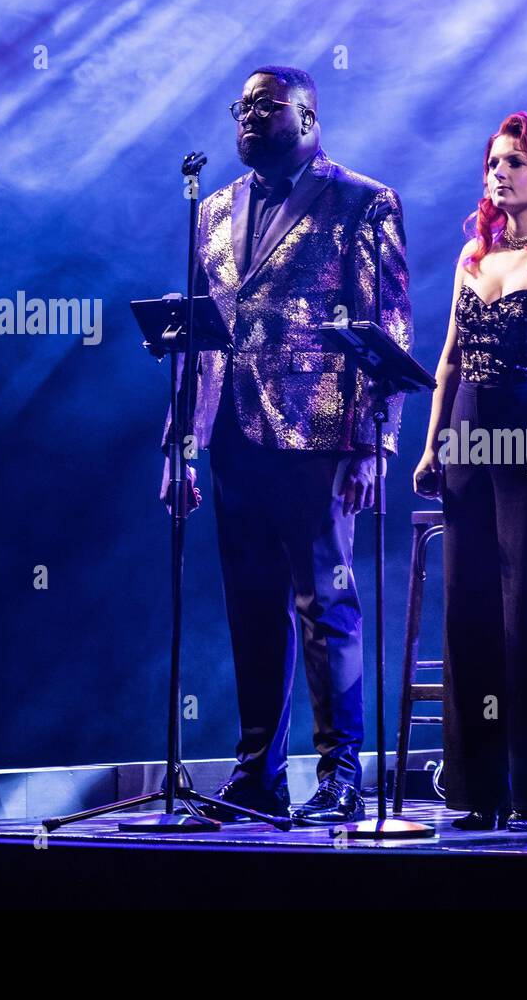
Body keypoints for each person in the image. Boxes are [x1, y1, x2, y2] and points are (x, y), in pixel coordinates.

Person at [158, 65, 413, 826]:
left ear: (307, 116)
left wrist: (377, 442)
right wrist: (183, 443)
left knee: (325, 602)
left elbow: (387, 328)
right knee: (250, 605)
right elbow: (201, 334)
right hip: (235, 435)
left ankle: (341, 776)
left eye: (264, 107)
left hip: (322, 431)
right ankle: (257, 773)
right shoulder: (215, 209)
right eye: (241, 107)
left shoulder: (363, 202)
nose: (246, 118)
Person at [413, 113, 527, 832]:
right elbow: (450, 360)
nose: (500, 173)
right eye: (494, 161)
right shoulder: (473, 252)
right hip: (464, 432)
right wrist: (431, 446)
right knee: (470, 611)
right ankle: (479, 790)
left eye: (515, 162)